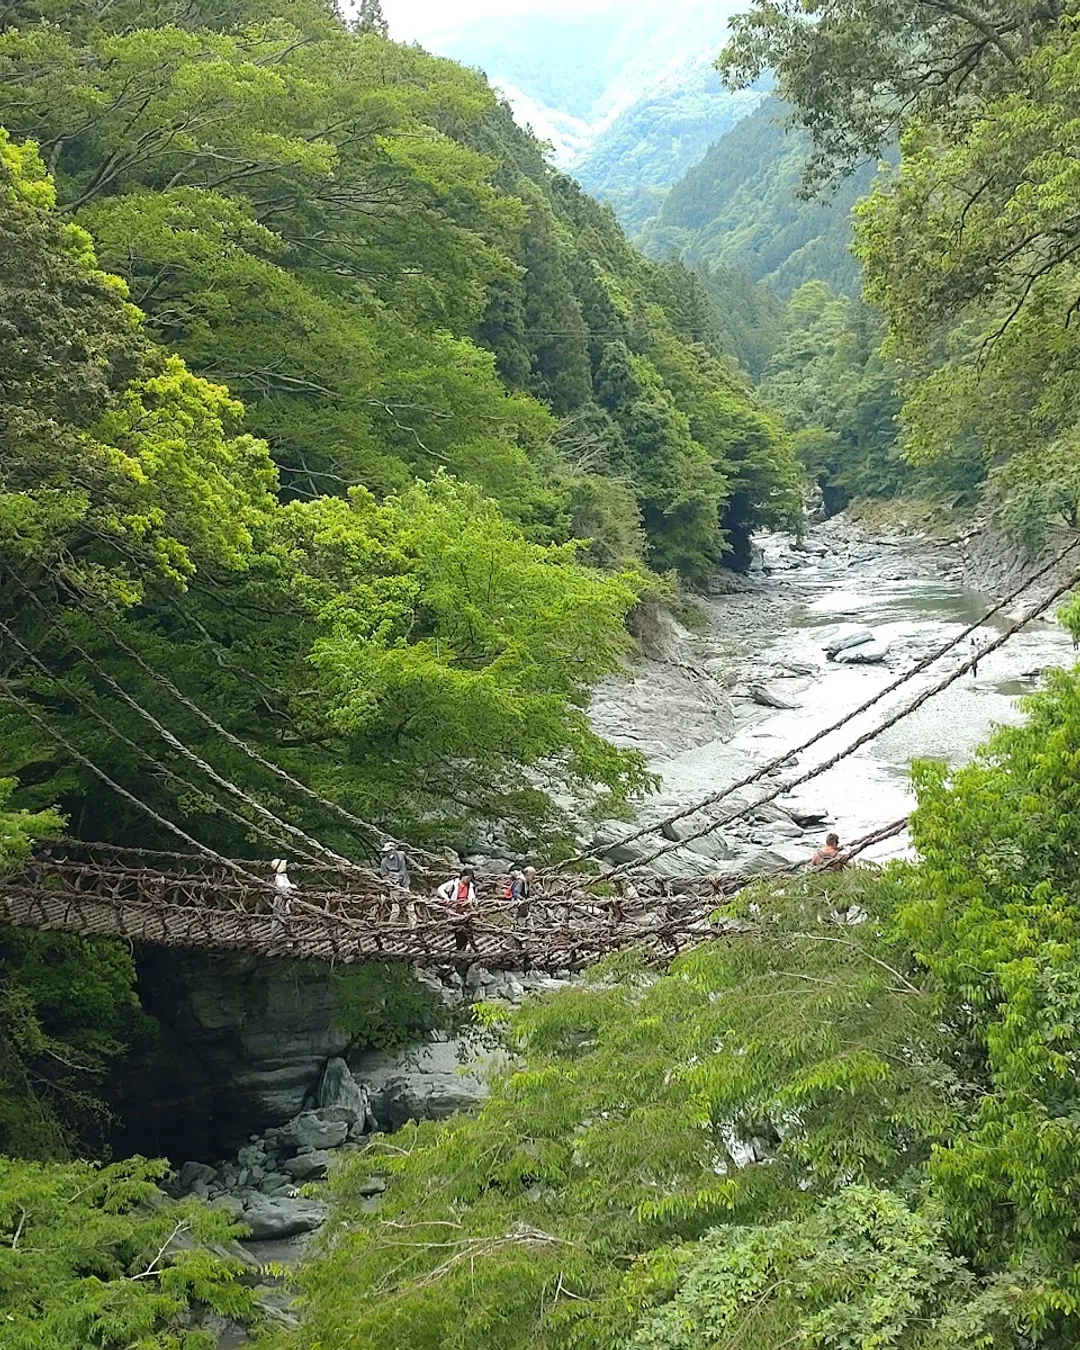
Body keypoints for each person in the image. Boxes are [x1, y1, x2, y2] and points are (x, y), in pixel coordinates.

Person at [436, 870, 476, 952]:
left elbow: (472, 897)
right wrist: (447, 899)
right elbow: (440, 889)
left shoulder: (470, 886)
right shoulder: (453, 883)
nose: (468, 880)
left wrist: (470, 901)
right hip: (455, 912)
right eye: (468, 878)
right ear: (463, 876)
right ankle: (461, 949)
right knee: (460, 931)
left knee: (467, 931)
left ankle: (463, 949)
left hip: (465, 912)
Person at [380, 841, 414, 925]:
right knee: (395, 909)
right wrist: (391, 881)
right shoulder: (384, 862)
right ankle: (390, 928)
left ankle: (413, 927)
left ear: (393, 850)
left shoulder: (401, 855)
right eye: (385, 852)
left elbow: (410, 861)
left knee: (410, 907)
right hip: (394, 886)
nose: (386, 853)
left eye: (388, 851)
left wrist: (419, 867)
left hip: (405, 883)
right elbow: (384, 876)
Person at [269, 857, 295, 941]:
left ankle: (289, 938)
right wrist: (291, 887)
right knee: (279, 918)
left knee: (287, 918)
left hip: (286, 899)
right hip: (281, 900)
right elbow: (282, 887)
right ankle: (274, 937)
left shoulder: (283, 876)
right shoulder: (279, 878)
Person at [507, 865, 537, 931]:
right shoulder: (520, 882)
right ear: (528, 874)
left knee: (530, 926)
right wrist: (523, 899)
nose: (534, 877)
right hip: (519, 908)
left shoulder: (525, 882)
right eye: (533, 875)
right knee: (521, 926)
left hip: (524, 909)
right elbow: (516, 893)